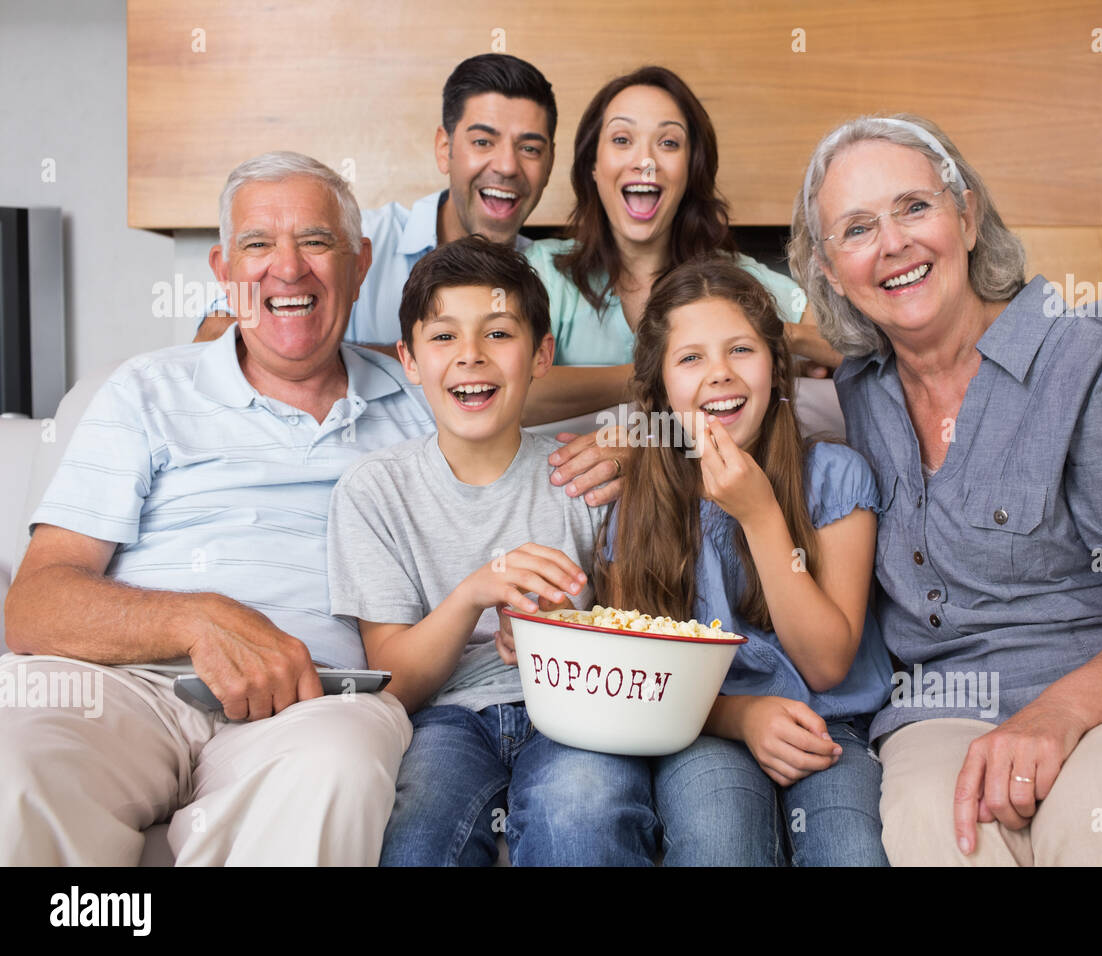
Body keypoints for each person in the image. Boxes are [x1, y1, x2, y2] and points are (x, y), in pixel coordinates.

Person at [789, 113, 1102, 864]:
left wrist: (1054, 716)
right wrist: (634, 442)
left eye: (915, 207)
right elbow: (720, 387)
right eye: (857, 228)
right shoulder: (863, 387)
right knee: (934, 830)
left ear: (966, 216)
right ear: (831, 271)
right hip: (951, 706)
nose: (893, 243)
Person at [0, 151, 435, 865]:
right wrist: (195, 619)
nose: (287, 269)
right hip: (124, 688)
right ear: (224, 271)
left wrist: (620, 442)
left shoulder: (425, 397)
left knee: (341, 763)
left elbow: (514, 392)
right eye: (258, 245)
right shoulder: (145, 390)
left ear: (359, 264)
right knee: (11, 756)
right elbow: (34, 606)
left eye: (316, 242)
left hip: (312, 704)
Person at [327, 236, 658, 866]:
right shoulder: (376, 490)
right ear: (409, 359)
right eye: (444, 337)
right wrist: (475, 592)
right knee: (419, 833)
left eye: (499, 335)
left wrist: (564, 632)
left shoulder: (584, 475)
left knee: (584, 811)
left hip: (576, 708)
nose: (471, 357)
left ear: (540, 356)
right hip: (446, 720)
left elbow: (640, 626)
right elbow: (394, 682)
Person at [591, 258, 894, 865]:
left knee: (850, 850)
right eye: (691, 358)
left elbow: (827, 663)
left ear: (777, 369)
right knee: (718, 840)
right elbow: (640, 677)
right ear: (657, 391)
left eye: (740, 350)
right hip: (704, 723)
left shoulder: (835, 479)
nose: (720, 375)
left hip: (831, 723)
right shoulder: (642, 508)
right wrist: (741, 717)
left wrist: (760, 516)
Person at [521, 65, 843, 433]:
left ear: (691, 169)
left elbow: (857, 351)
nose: (645, 162)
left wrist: (779, 337)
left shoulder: (735, 278)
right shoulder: (542, 270)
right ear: (593, 165)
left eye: (668, 143)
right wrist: (657, 374)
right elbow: (511, 393)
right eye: (622, 140)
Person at [194, 53, 557, 354]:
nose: (507, 166)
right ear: (444, 150)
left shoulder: (553, 278)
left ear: (550, 163)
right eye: (482, 142)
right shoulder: (343, 242)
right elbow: (216, 335)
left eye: (529, 149)